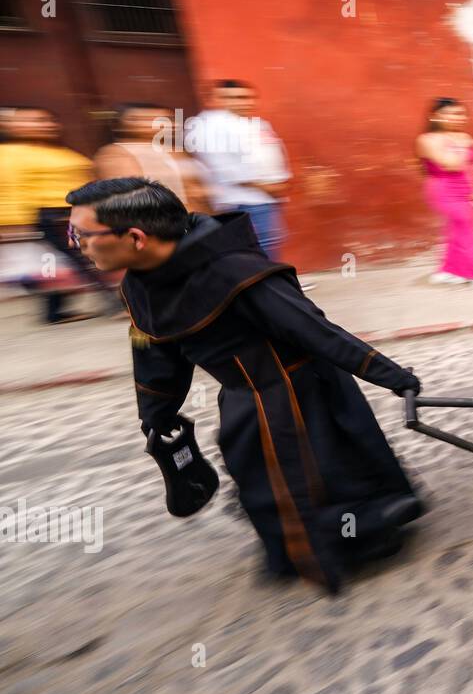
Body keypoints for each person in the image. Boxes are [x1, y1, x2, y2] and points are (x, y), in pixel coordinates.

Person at [66, 177, 425, 591]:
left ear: (135, 237)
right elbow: (155, 354)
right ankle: (299, 548)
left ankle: (362, 540)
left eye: (82, 234)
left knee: (329, 472)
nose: (77, 245)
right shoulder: (138, 285)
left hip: (306, 394)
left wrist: (392, 376)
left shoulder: (236, 273)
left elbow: (314, 331)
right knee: (258, 475)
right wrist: (156, 413)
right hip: (244, 400)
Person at [0, 106, 100, 323]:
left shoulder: (61, 152)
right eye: (30, 121)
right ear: (9, 126)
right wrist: (15, 224)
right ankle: (116, 302)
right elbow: (10, 189)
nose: (42, 125)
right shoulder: (8, 154)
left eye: (45, 120)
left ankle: (54, 312)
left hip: (71, 213)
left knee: (57, 264)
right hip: (41, 217)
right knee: (69, 262)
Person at [188, 80, 292, 257]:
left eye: (248, 98)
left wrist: (279, 183)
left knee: (269, 242)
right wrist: (265, 186)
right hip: (241, 200)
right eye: (235, 98)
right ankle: (266, 283)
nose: (244, 102)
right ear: (215, 99)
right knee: (257, 246)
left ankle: (274, 282)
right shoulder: (208, 126)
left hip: (265, 196)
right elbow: (222, 165)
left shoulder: (255, 123)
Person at [416, 98, 473, 289]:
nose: (458, 118)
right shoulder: (427, 140)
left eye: (461, 114)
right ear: (434, 116)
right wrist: (458, 145)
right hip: (443, 190)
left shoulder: (465, 137)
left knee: (458, 229)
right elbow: (451, 164)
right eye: (451, 113)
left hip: (465, 189)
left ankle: (449, 270)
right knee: (467, 228)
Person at [95, 103, 212, 211]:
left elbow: (193, 185)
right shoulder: (115, 153)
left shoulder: (172, 150)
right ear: (126, 124)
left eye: (168, 119)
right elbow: (131, 194)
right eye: (151, 119)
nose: (165, 124)